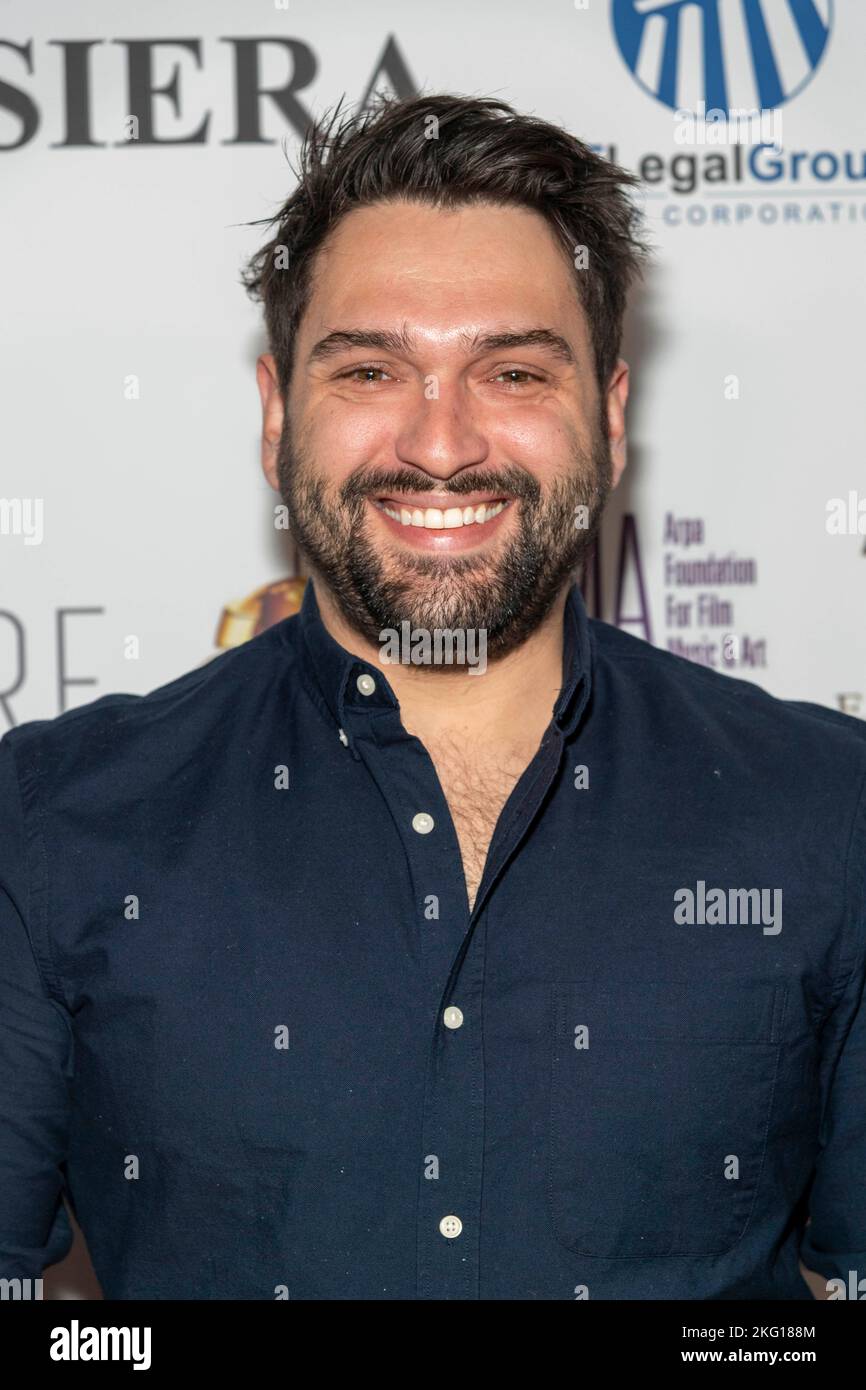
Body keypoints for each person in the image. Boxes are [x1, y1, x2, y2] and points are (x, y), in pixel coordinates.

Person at [1, 93, 863, 1301]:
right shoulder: (49, 819)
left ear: (608, 417)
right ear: (274, 414)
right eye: (370, 367)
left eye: (510, 369)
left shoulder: (830, 808)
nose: (442, 442)